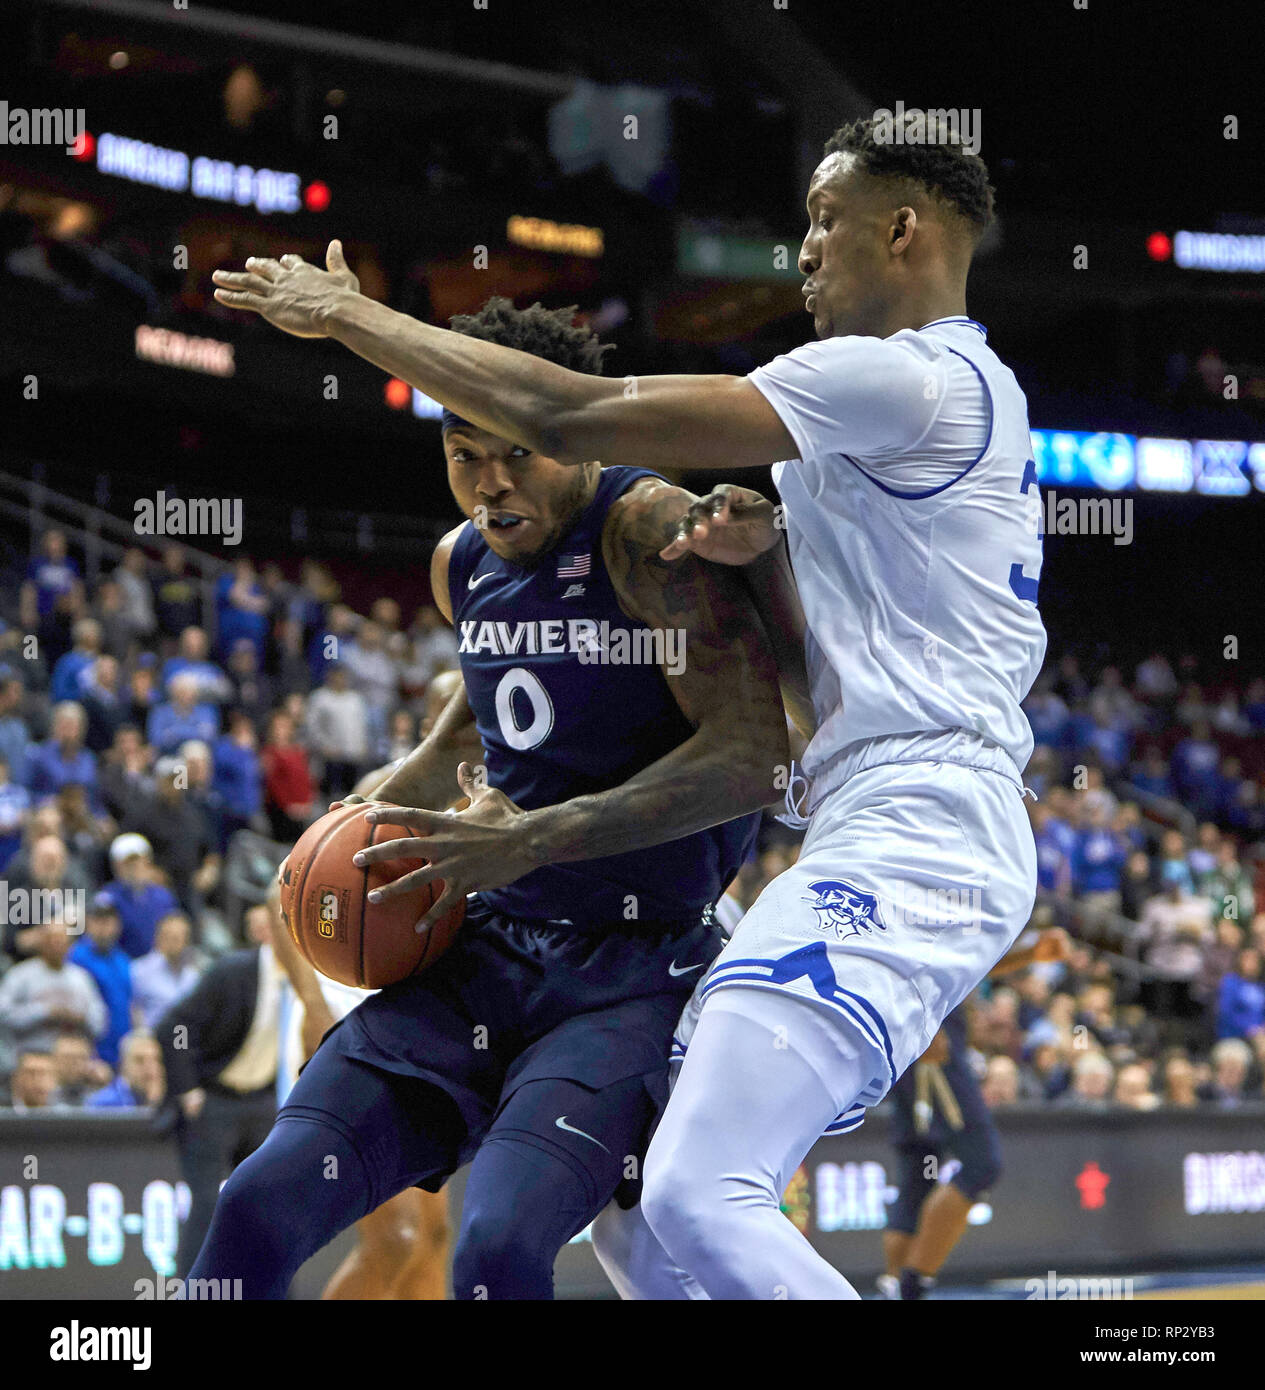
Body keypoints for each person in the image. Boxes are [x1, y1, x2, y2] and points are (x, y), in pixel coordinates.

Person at [213, 110, 1043, 1299]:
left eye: (820, 222)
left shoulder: (904, 374)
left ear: (902, 228)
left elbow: (564, 416)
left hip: (921, 818)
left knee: (700, 1195)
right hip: (875, 806)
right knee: (640, 1211)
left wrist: (355, 317)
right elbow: (826, 656)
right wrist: (767, 551)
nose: (799, 252)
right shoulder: (914, 411)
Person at [186, 300, 786, 1300]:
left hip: (633, 969)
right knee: (257, 1199)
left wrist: (533, 839)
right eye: (465, 454)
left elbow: (752, 756)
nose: (491, 482)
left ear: (574, 434)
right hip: (487, 947)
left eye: (518, 452)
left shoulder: (640, 532)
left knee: (495, 1252)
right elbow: (468, 736)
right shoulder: (459, 564)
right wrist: (343, 830)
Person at [877, 927, 1070, 1301]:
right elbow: (925, 958)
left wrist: (1028, 956)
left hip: (916, 1043)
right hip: (935, 1046)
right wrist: (926, 1024)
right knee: (982, 1163)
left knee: (920, 1170)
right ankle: (912, 1286)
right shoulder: (926, 896)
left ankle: (894, 1288)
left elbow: (965, 961)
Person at [154, 903, 285, 1279]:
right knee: (209, 1203)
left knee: (266, 1204)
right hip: (214, 1100)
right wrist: (188, 1088)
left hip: (262, 1103)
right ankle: (192, 1290)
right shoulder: (232, 972)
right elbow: (172, 1026)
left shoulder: (308, 983)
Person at [67, 896, 133, 1070]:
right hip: (91, 1049)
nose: (103, 926)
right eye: (97, 919)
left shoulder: (122, 959)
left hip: (121, 1047)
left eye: (108, 920)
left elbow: (130, 1002)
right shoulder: (75, 957)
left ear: (117, 924)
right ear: (88, 923)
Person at [130, 910, 203, 1029]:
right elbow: (133, 1009)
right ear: (158, 937)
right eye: (169, 936)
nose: (174, 942)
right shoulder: (139, 971)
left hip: (181, 1041)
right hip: (150, 1041)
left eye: (179, 937)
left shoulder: (192, 977)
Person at [85, 1031, 165, 1109]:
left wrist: (156, 1104)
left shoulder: (166, 1101)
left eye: (156, 1060)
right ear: (123, 1064)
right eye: (140, 1060)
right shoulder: (103, 1104)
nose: (149, 1067)